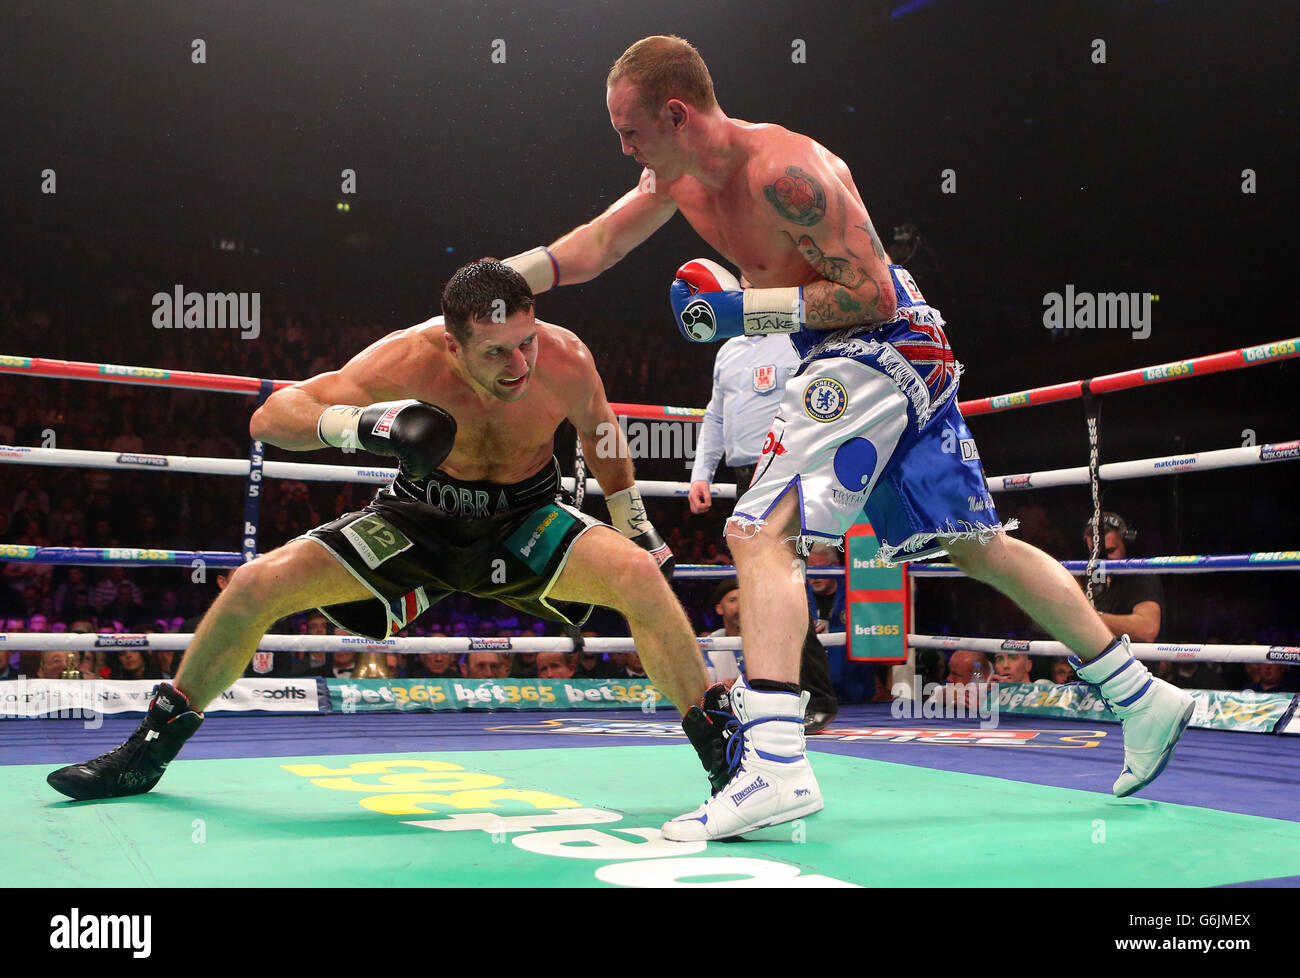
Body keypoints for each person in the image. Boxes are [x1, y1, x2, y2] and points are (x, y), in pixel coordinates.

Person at [503, 35, 1194, 839]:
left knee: (760, 530)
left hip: (878, 345)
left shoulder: (787, 173)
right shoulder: (674, 178)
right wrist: (490, 284)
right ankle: (1141, 697)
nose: (622, 148)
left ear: (677, 112)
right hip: (885, 356)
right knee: (974, 544)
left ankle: (774, 767)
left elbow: (866, 293)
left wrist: (743, 314)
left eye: (629, 129)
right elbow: (591, 247)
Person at [47, 260, 727, 802]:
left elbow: (601, 431)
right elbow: (271, 417)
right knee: (255, 584)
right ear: (452, 342)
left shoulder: (567, 359)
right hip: (418, 519)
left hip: (527, 519)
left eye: (528, 340)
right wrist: (357, 427)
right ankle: (146, 754)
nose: (520, 364)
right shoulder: (404, 362)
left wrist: (637, 526)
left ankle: (728, 768)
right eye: (497, 352)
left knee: (640, 577)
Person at [689, 325, 838, 729]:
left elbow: (823, 404)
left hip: (786, 470)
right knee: (757, 591)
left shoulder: (802, 340)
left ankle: (817, 697)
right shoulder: (730, 350)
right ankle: (772, 697)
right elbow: (716, 415)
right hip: (742, 474)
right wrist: (702, 473)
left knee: (782, 585)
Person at [1083, 512, 1163, 644]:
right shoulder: (1096, 575)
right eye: (1095, 553)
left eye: (1110, 551)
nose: (1102, 559)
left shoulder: (1140, 574)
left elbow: (1148, 629)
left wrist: (1092, 618)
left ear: (1126, 544)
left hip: (1134, 661)